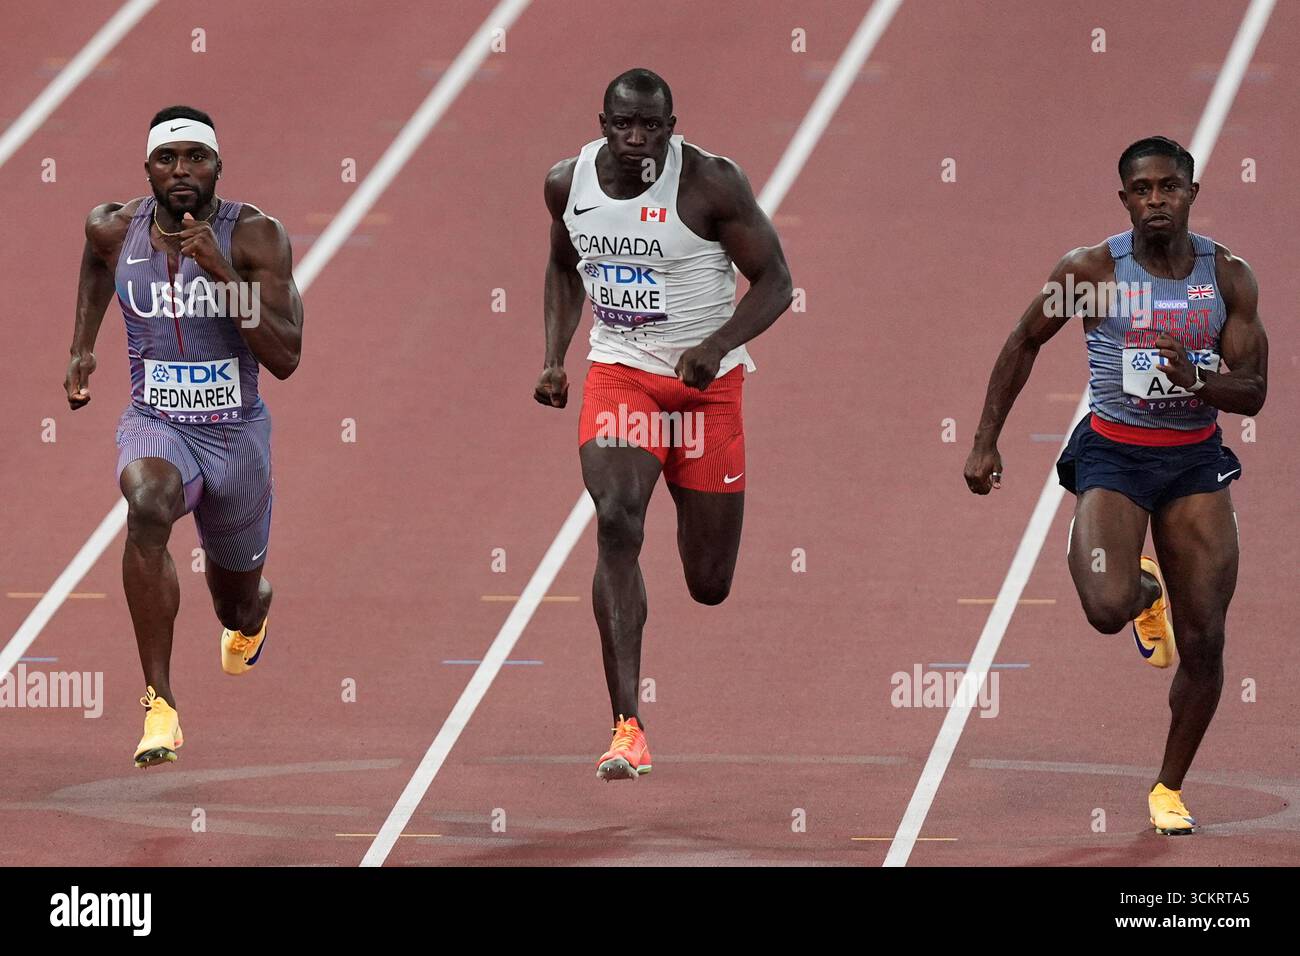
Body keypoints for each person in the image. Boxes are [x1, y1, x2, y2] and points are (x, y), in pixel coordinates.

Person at [964, 136, 1268, 833]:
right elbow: (1023, 340)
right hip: (1114, 454)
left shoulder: (1229, 278)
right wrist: (985, 439)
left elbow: (1252, 393)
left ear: (1192, 193)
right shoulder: (1092, 270)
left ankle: (1168, 787)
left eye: (1170, 187)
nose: (1156, 200)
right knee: (1105, 606)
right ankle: (1144, 591)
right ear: (1124, 197)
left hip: (1193, 461)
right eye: (1142, 189)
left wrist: (1197, 379)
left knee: (1207, 642)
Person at [535, 69, 793, 781]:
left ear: (672, 127)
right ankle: (628, 725)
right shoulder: (568, 183)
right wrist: (555, 357)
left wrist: (715, 345)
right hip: (621, 377)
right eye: (624, 124)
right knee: (617, 520)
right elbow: (562, 268)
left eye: (652, 126)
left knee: (709, 582)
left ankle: (689, 492)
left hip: (707, 390)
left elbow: (777, 281)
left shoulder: (712, 184)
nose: (637, 138)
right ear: (603, 123)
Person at [65, 105, 304, 767]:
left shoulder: (256, 238)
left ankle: (251, 616)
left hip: (236, 441)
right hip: (158, 425)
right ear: (146, 169)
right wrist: (81, 349)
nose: (181, 171)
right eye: (167, 160)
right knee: (145, 504)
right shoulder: (114, 228)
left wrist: (222, 273)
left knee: (234, 605)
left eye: (195, 158)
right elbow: (94, 267)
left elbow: (285, 357)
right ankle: (160, 703)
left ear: (217, 166)